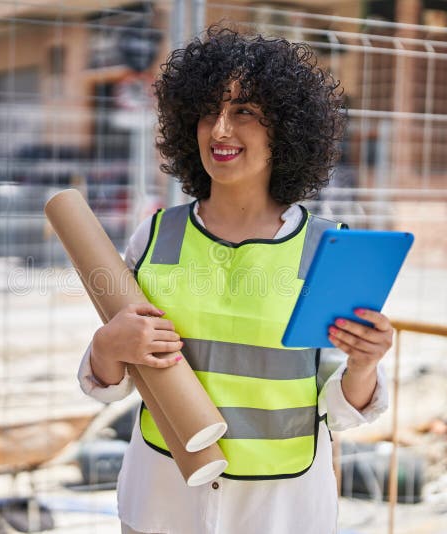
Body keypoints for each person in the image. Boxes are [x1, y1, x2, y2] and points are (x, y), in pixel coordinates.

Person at [78, 26, 393, 534]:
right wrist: (106, 346)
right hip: (162, 506)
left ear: (285, 129)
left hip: (281, 514)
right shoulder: (156, 237)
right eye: (208, 111)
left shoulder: (325, 250)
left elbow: (344, 411)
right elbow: (108, 387)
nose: (220, 129)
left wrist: (365, 362)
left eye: (244, 112)